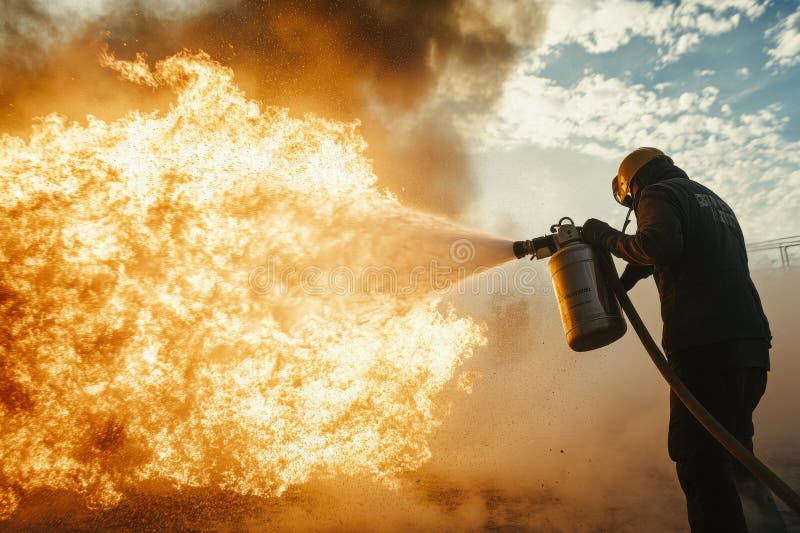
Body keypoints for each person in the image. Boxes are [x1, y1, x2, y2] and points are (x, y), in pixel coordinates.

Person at [580, 147, 786, 532]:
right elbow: (670, 249)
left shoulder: (656, 194)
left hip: (704, 348)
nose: (634, 205)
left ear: (633, 184)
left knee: (701, 462)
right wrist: (622, 284)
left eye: (630, 200)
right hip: (750, 345)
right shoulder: (712, 200)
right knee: (740, 459)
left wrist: (602, 235)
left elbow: (658, 246)